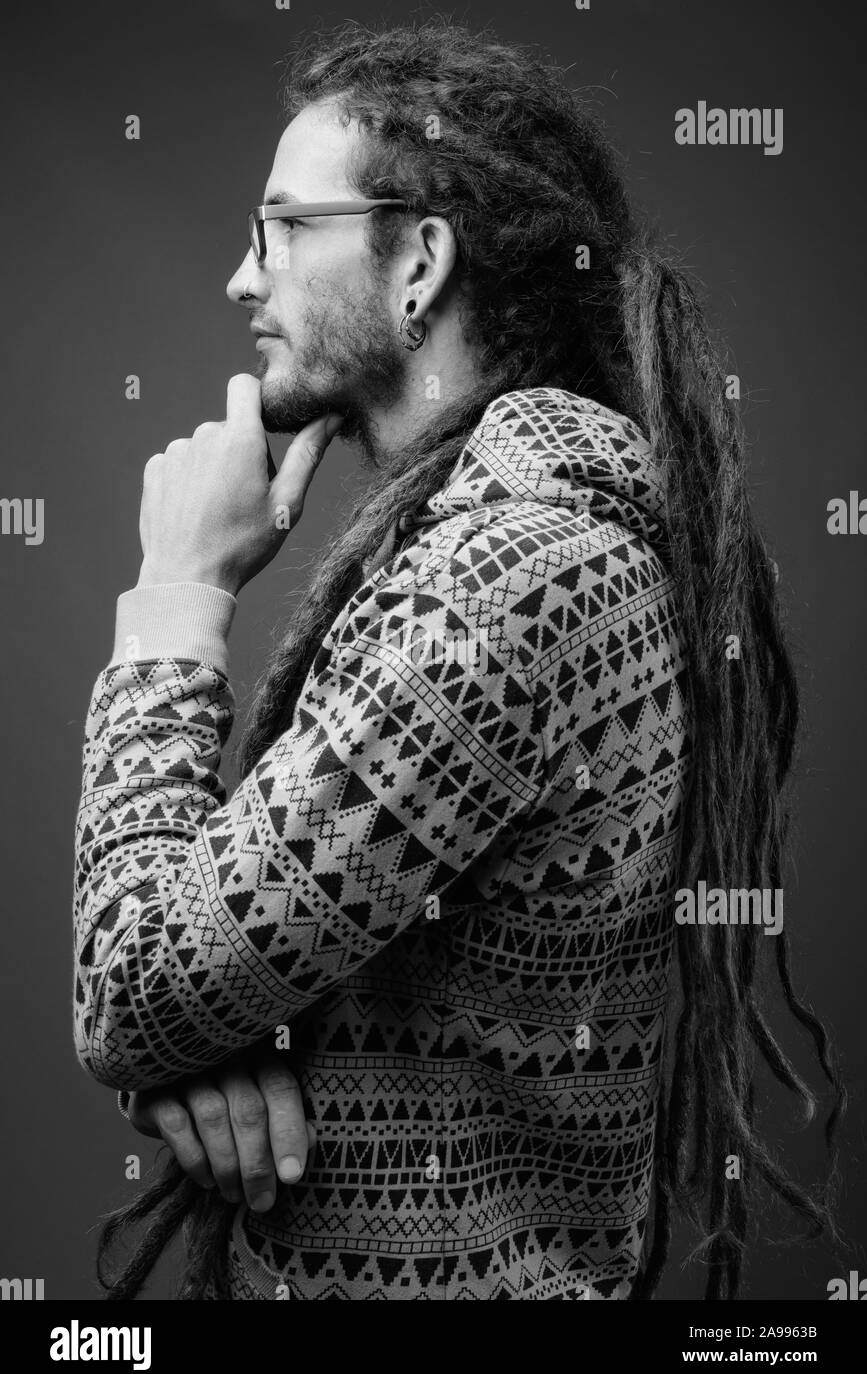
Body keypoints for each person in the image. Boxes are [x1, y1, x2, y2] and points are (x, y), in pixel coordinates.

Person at [73, 18, 843, 1301]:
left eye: (278, 228)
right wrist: (205, 1041)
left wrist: (176, 596)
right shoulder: (513, 543)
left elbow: (133, 976)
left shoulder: (510, 578)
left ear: (418, 260)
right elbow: (204, 975)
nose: (239, 280)